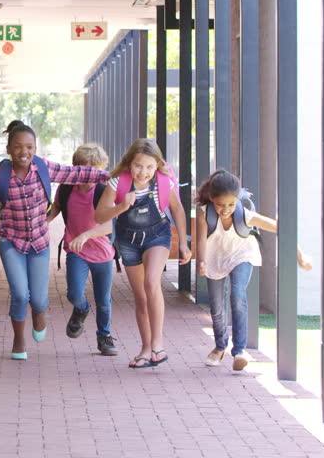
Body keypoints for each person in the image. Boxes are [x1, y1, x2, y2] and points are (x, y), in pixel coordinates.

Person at [0, 120, 109, 360]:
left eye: (30, 147)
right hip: (11, 241)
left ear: (35, 148)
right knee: (21, 294)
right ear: (9, 149)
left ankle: (39, 311)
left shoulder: (43, 168)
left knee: (39, 299)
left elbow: (76, 173)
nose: (25, 152)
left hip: (40, 243)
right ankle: (19, 339)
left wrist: (110, 175)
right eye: (19, 147)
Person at [195, 169, 312, 370]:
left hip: (242, 254)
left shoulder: (244, 214)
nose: (225, 210)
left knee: (238, 294)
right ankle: (220, 346)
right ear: (212, 198)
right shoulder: (204, 214)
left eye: (231, 204)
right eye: (220, 204)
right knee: (216, 306)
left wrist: (300, 255)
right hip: (215, 257)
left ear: (237, 199)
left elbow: (279, 227)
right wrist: (202, 262)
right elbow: (201, 241)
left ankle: (239, 351)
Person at [94, 138, 191, 369]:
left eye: (149, 166)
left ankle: (158, 344)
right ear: (129, 163)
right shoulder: (118, 183)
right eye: (138, 166)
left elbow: (177, 209)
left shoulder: (164, 181)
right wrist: (121, 207)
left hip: (158, 235)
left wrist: (185, 243)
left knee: (151, 282)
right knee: (140, 296)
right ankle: (146, 349)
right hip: (128, 241)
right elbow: (99, 216)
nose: (143, 172)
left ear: (157, 165)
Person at [47, 144, 118, 356]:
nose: (84, 173)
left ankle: (104, 336)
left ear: (99, 169)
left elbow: (110, 224)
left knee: (103, 300)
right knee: (74, 293)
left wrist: (86, 235)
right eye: (79, 167)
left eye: (89, 168)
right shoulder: (67, 187)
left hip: (102, 252)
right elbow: (58, 206)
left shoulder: (103, 191)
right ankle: (81, 309)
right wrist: (45, 220)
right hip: (76, 250)